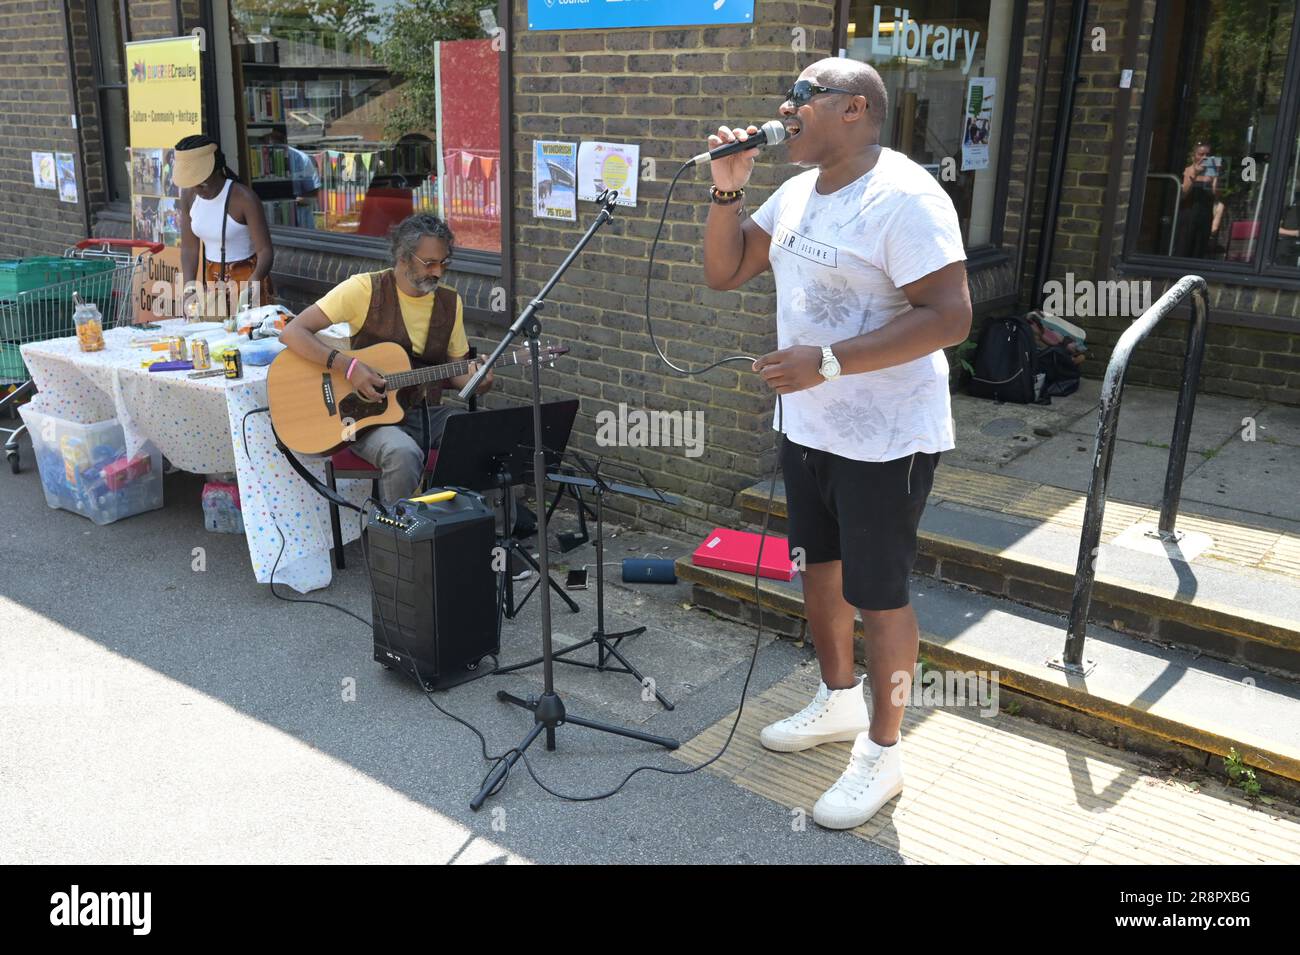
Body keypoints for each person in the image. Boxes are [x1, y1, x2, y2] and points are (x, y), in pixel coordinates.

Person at [702, 59, 972, 830]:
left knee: (880, 594)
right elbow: (726, 270)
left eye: (802, 96)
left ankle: (884, 751)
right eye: (786, 93)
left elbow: (951, 316)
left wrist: (826, 361)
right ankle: (840, 699)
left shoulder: (907, 198)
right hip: (810, 426)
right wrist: (728, 185)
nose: (785, 106)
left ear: (854, 108)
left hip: (887, 435)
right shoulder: (792, 192)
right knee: (818, 567)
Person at [279, 213, 493, 505]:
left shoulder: (449, 302)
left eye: (443, 263)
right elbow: (293, 332)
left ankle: (463, 525)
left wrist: (478, 381)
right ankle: (398, 540)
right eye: (428, 263)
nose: (438, 272)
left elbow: (457, 373)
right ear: (403, 258)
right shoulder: (363, 289)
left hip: (422, 412)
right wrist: (348, 366)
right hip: (364, 418)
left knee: (484, 433)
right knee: (402, 453)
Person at [175, 135, 275, 314]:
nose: (199, 190)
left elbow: (265, 251)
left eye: (203, 184)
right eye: (194, 185)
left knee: (247, 335)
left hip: (248, 275)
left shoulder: (244, 198)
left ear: (218, 170)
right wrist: (189, 289)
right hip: (212, 277)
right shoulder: (189, 196)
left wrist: (256, 280)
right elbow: (189, 248)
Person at [1177, 141, 1219, 259]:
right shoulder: (1187, 171)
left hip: (1204, 216)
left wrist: (1216, 177)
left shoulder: (1211, 174)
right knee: (1183, 248)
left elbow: (1216, 195)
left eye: (1208, 154)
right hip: (1187, 216)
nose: (1204, 157)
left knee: (1199, 251)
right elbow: (1183, 194)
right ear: (1193, 156)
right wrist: (1195, 174)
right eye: (1201, 154)